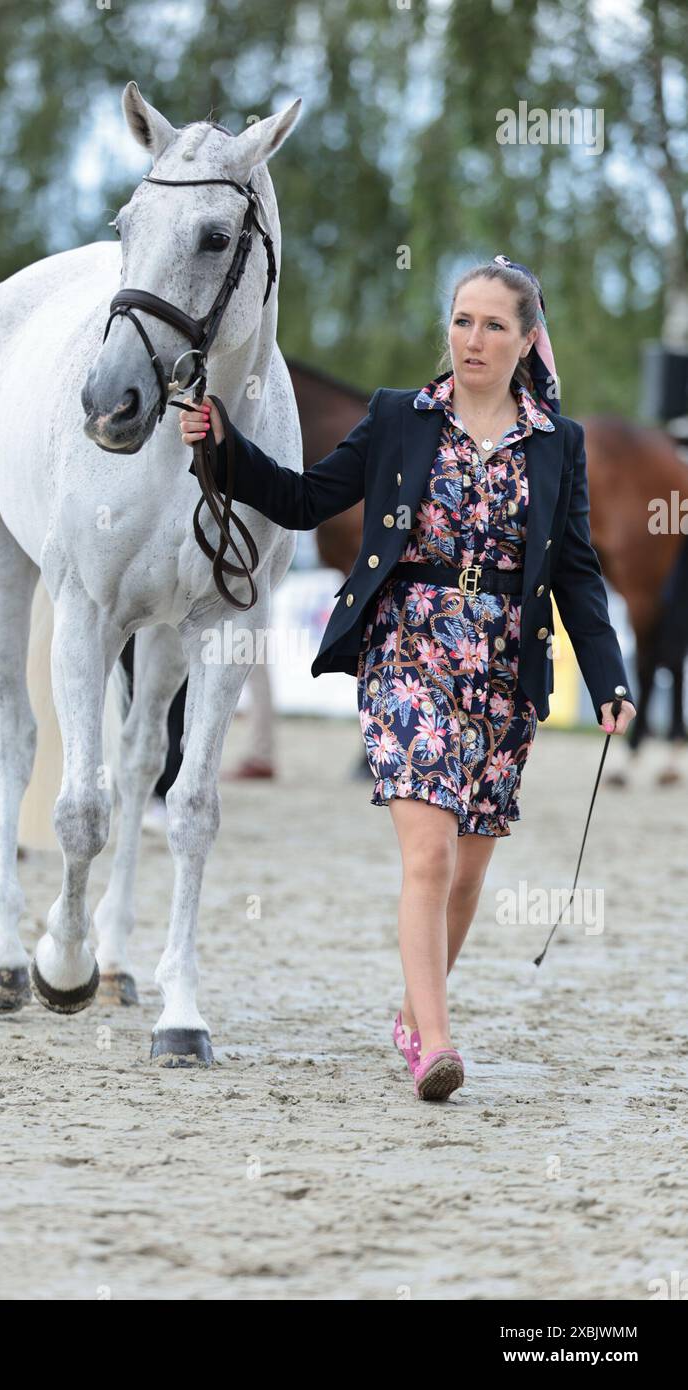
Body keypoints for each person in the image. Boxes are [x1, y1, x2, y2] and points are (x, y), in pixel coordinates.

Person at [179, 254, 637, 1102]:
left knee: (466, 874)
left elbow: (575, 573)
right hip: (406, 653)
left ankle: (411, 1014)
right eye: (462, 321)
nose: (474, 338)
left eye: (494, 325)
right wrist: (222, 446)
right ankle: (437, 1045)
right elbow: (305, 499)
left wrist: (608, 678)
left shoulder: (558, 444)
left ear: (527, 340)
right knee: (428, 855)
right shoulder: (399, 418)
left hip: (504, 672)